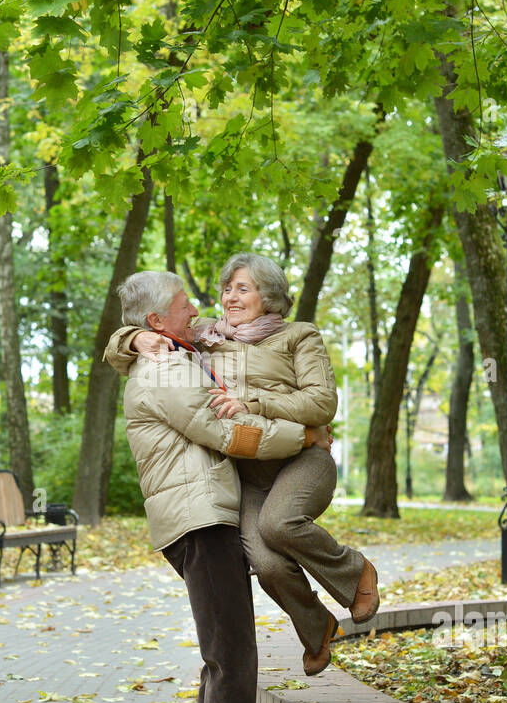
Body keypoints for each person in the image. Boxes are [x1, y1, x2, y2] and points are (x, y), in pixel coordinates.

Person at [112, 270, 333, 703]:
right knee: (233, 655)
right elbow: (226, 430)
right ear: (158, 321)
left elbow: (128, 341)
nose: (197, 310)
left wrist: (128, 336)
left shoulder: (166, 351)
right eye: (184, 304)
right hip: (200, 520)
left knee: (220, 654)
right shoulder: (166, 369)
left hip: (200, 517)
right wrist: (303, 436)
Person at [105, 252, 379, 677]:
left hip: (303, 457)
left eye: (242, 288)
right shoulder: (207, 337)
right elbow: (147, 324)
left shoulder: (299, 337)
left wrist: (256, 403)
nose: (229, 297)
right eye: (227, 288)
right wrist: (131, 339)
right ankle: (317, 627)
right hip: (249, 473)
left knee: (279, 525)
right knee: (267, 564)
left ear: (267, 296)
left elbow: (322, 402)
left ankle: (356, 571)